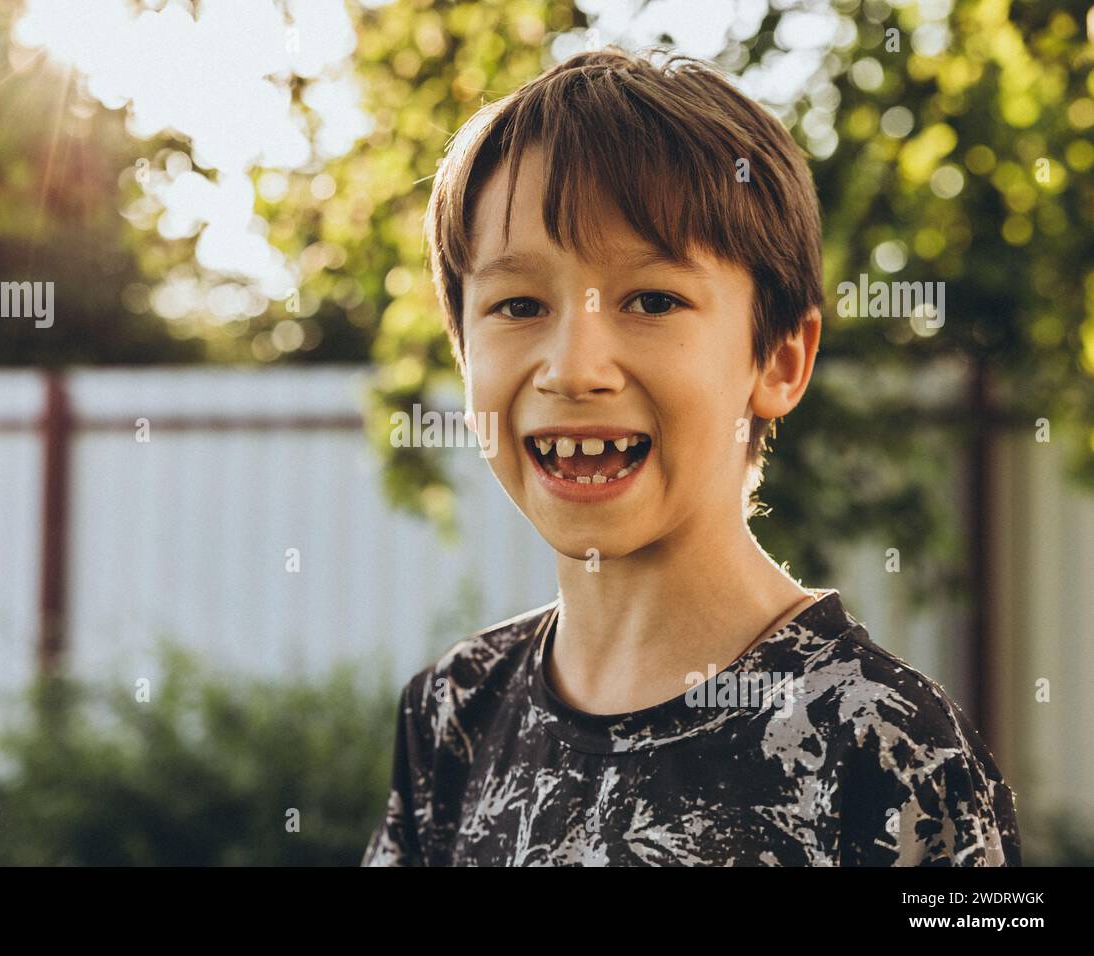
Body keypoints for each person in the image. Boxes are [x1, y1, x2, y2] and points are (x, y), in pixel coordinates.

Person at [362, 46, 1020, 866]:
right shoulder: (453, 712)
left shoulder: (890, 749)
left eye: (652, 300)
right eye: (519, 304)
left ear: (779, 359)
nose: (572, 367)